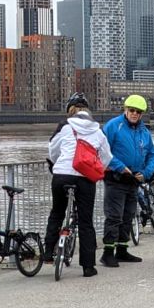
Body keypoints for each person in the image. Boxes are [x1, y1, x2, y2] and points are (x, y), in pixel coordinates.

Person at [43, 93, 113, 277]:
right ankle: (88, 267)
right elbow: (107, 157)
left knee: (57, 212)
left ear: (70, 110)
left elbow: (53, 149)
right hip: (85, 178)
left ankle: (48, 253)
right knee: (85, 221)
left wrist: (59, 164)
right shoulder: (98, 131)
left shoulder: (65, 126)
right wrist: (97, 169)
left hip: (62, 175)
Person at [101, 94, 154, 267]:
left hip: (134, 180)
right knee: (114, 216)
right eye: (131, 110)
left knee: (128, 216)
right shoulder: (113, 126)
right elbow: (103, 151)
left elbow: (153, 154)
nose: (134, 114)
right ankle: (107, 253)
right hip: (116, 178)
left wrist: (146, 173)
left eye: (138, 112)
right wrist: (119, 167)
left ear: (141, 114)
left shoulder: (144, 131)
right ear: (125, 110)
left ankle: (122, 250)